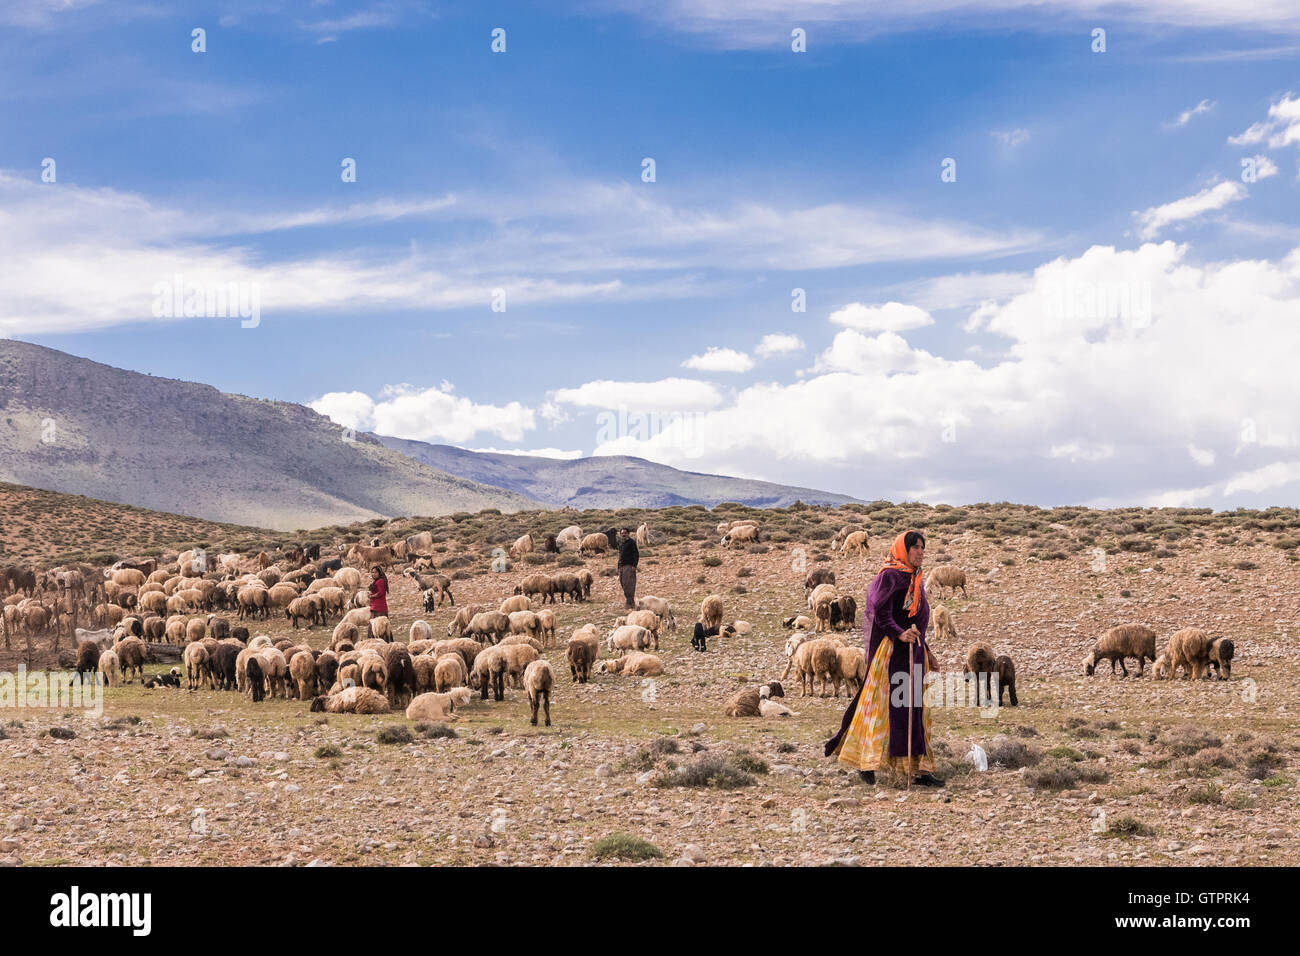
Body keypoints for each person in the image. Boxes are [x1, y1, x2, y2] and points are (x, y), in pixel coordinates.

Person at [824, 530, 944, 788]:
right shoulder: (889, 576)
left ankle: (916, 769)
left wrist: (928, 651)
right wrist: (899, 634)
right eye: (916, 548)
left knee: (914, 709)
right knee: (880, 708)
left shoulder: (916, 579)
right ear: (904, 549)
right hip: (891, 653)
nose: (921, 552)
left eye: (923, 547)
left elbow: (919, 623)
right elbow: (880, 612)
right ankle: (865, 762)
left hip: (913, 653)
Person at [616, 527, 639, 608]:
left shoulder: (631, 542)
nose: (623, 535)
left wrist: (634, 565)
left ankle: (630, 602)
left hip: (629, 566)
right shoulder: (621, 543)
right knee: (623, 584)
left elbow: (636, 554)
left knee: (629, 584)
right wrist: (618, 566)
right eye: (622, 533)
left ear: (628, 534)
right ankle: (629, 601)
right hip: (621, 566)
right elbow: (620, 555)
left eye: (625, 533)